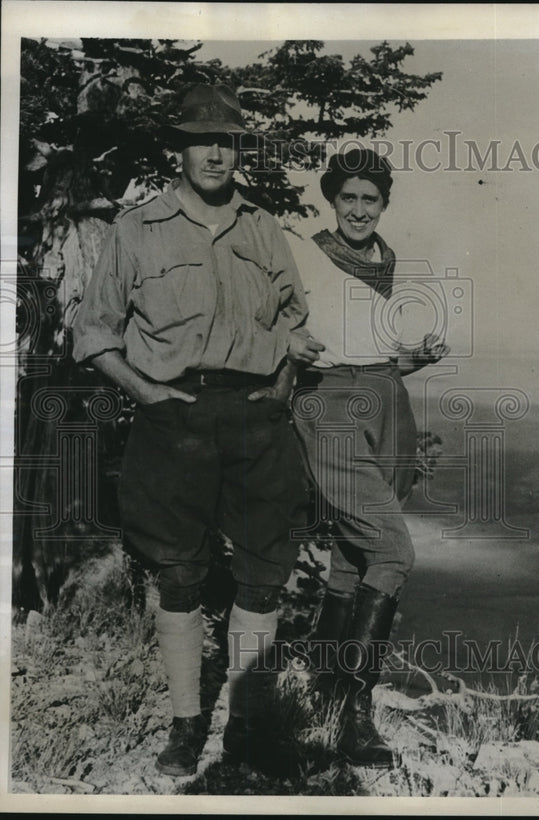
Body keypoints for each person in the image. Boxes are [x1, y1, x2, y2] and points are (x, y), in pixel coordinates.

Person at [72, 84, 325, 777]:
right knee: (179, 575)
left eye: (230, 141)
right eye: (201, 139)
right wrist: (149, 393)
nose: (217, 152)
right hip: (174, 420)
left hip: (255, 418)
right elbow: (94, 333)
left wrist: (279, 389)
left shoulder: (263, 226)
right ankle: (187, 727)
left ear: (239, 150)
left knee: (264, 574)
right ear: (175, 151)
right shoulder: (136, 228)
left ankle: (246, 730)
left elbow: (294, 322)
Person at [288, 148, 449, 767]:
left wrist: (414, 357)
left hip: (386, 400)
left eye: (370, 199)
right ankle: (356, 714)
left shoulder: (387, 260)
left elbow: (371, 349)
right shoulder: (308, 251)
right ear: (333, 199)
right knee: (393, 549)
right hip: (327, 405)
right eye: (348, 198)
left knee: (353, 556)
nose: (358, 210)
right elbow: (284, 326)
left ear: (384, 203)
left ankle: (322, 695)